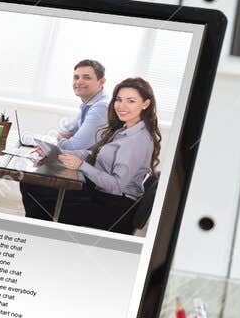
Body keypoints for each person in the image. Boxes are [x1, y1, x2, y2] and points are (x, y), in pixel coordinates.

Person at [22, 77, 160, 232]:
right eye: (119, 100)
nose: (121, 106)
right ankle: (39, 233)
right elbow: (92, 153)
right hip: (100, 193)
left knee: (40, 198)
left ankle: (39, 235)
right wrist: (56, 153)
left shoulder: (137, 141)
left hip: (114, 207)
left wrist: (81, 166)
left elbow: (116, 186)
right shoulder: (124, 130)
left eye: (131, 101)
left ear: (145, 104)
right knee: (32, 184)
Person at [36, 58, 108, 157]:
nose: (79, 82)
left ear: (101, 81)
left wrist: (62, 140)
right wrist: (66, 138)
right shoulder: (89, 105)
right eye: (76, 77)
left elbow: (74, 146)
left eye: (86, 77)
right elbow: (65, 131)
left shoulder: (101, 107)